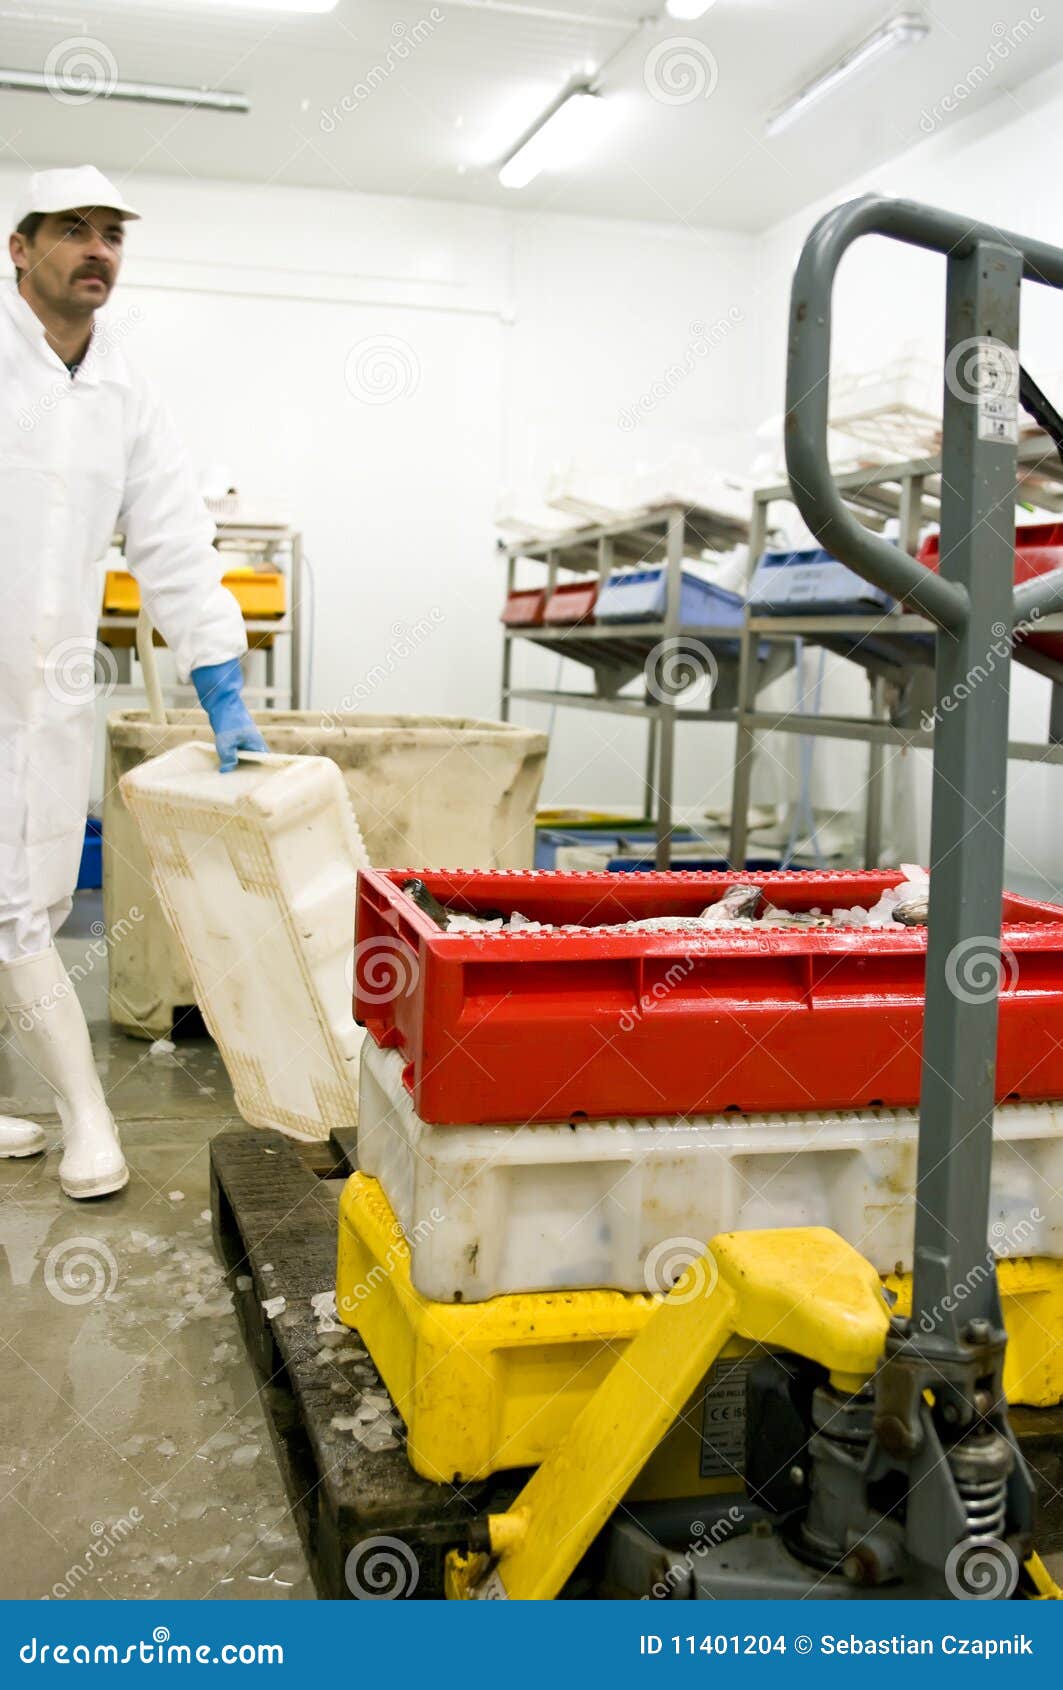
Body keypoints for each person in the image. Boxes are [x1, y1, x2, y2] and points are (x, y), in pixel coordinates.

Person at [1, 165, 267, 1198]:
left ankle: (76, 1111)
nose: (97, 249)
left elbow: (173, 542)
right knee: (14, 914)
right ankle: (88, 1116)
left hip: (49, 689)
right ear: (20, 248)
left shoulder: (126, 391)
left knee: (27, 902)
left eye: (112, 232)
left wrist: (218, 676)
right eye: (74, 230)